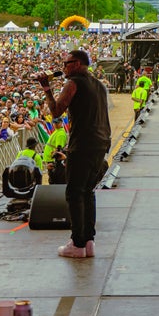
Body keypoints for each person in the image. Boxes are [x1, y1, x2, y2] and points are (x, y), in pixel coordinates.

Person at [39, 49, 111, 259]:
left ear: (78, 63)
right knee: (88, 192)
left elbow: (56, 111)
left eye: (67, 63)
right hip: (101, 143)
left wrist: (47, 89)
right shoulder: (99, 85)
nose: (64, 68)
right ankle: (89, 241)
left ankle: (77, 243)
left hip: (83, 144)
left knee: (74, 192)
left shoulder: (74, 83)